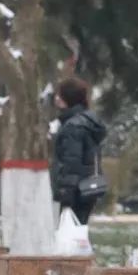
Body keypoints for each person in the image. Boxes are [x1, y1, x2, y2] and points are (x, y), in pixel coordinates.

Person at [51, 77, 107, 224]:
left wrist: (66, 194)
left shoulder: (73, 126)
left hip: (74, 191)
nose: (56, 99)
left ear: (68, 98)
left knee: (70, 234)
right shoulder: (88, 122)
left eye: (60, 95)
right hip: (88, 187)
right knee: (79, 231)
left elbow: (71, 162)